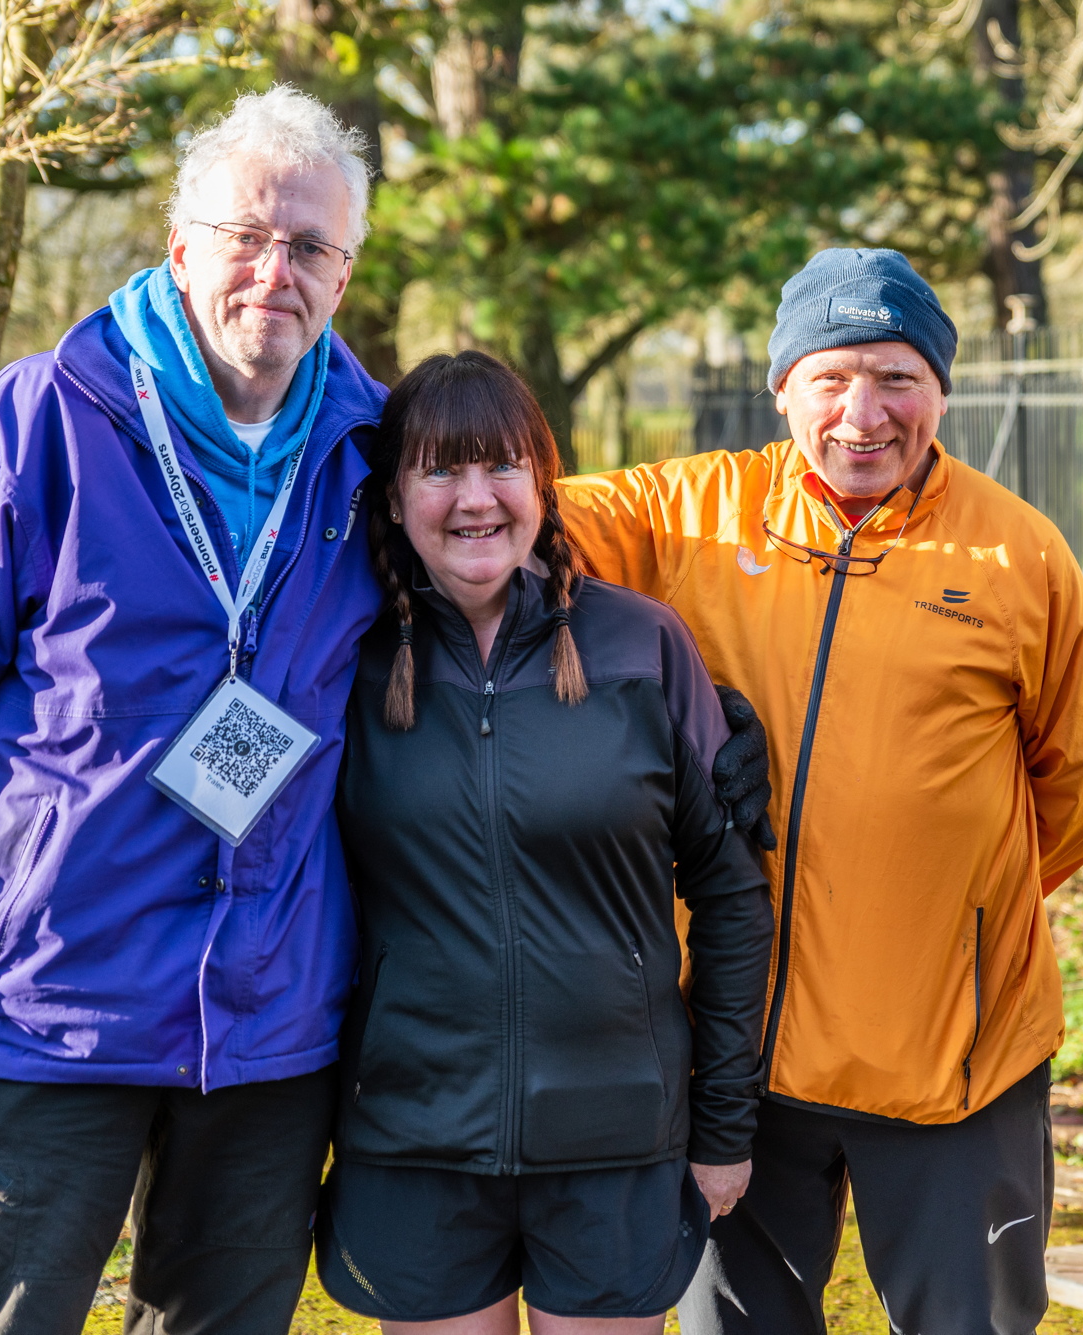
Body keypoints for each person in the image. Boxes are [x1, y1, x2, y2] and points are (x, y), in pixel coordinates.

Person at [0, 88, 773, 1333]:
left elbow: (509, 523)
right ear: (178, 245)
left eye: (311, 247)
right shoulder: (37, 426)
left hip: (268, 1037)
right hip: (54, 1010)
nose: (276, 270)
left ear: (346, 268)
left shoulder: (369, 446)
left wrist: (701, 712)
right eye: (245, 235)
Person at [557, 247, 1083, 1335]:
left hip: (956, 1061)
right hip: (737, 1057)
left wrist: (949, 909)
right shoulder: (685, 515)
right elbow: (494, 512)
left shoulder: (1020, 556)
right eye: (830, 377)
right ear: (782, 389)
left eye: (897, 377)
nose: (863, 413)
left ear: (941, 392)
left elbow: (1082, 792)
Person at [315, 351, 772, 1334]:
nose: (475, 499)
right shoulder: (340, 665)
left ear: (543, 484)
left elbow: (733, 897)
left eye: (502, 467)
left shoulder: (642, 646)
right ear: (392, 498)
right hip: (413, 1141)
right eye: (439, 470)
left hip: (614, 1143)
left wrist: (722, 1121)